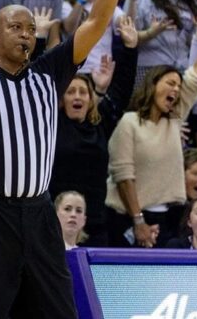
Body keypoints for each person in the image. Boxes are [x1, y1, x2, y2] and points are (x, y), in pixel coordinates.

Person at [0, 0, 134, 318]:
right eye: (15, 27)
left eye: (29, 29)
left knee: (59, 310)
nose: (25, 34)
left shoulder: (49, 73)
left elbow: (96, 21)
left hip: (39, 213)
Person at [105, 9, 197, 248]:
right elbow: (124, 177)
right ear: (153, 86)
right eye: (170, 83)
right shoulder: (129, 122)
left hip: (168, 217)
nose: (176, 90)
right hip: (129, 219)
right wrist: (138, 221)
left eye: (178, 85)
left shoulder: (173, 118)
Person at [50, 16, 139, 246]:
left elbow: (121, 92)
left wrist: (130, 48)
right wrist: (41, 39)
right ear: (61, 99)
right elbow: (37, 85)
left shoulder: (100, 125)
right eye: (71, 92)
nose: (77, 96)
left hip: (95, 223)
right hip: (53, 221)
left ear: (91, 100)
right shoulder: (50, 122)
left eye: (83, 92)